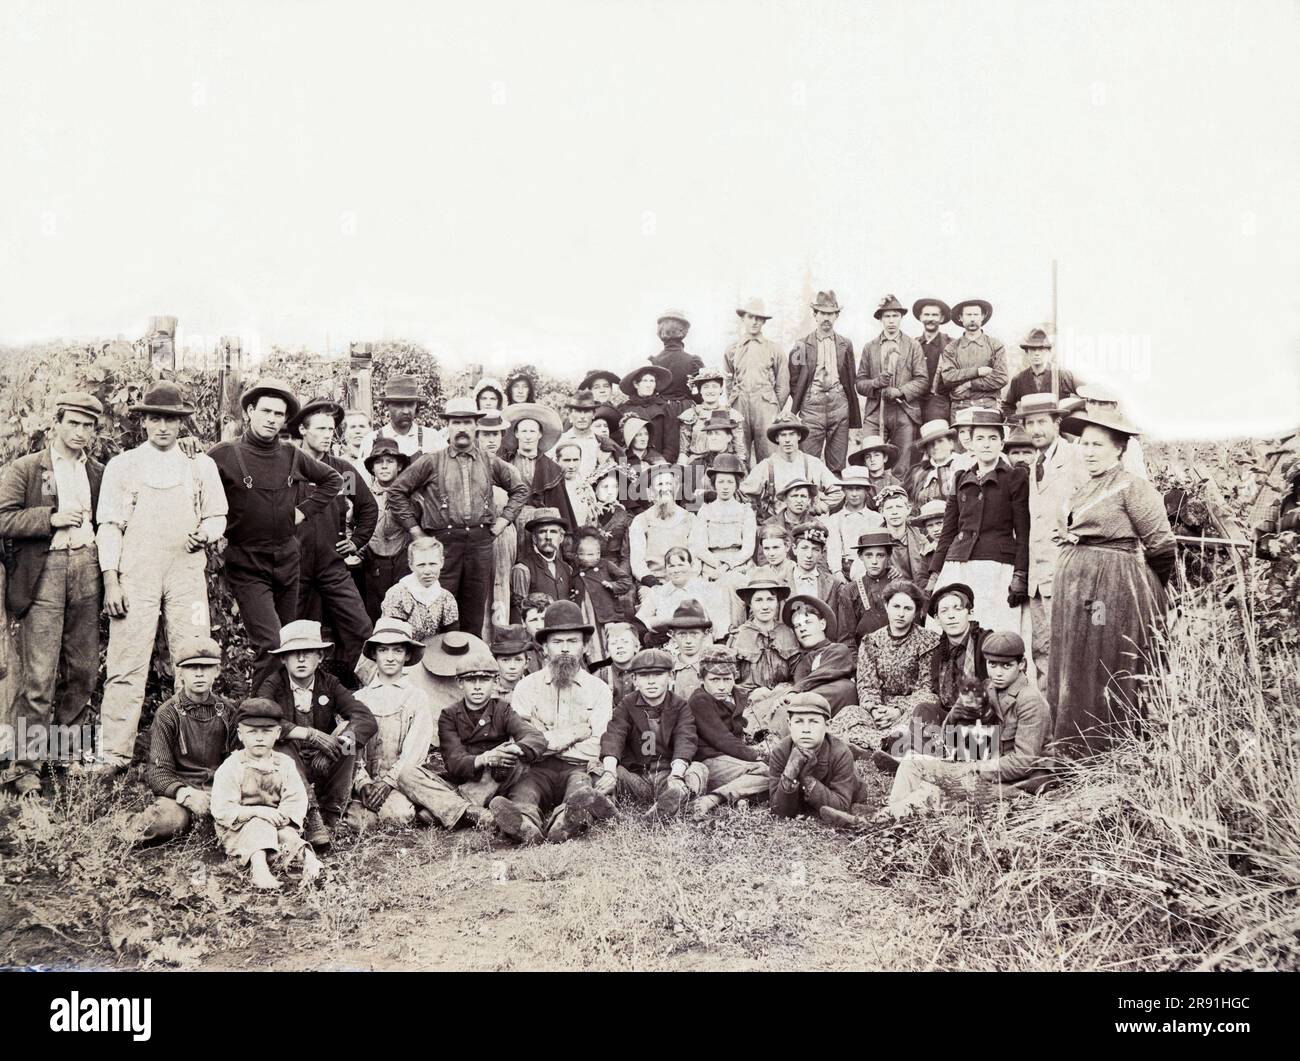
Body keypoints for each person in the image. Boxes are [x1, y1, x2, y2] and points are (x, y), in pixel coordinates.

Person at [90, 383, 229, 771]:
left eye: (170, 419)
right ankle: (114, 754)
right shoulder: (124, 465)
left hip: (187, 575)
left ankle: (191, 754)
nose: (163, 426)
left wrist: (206, 532)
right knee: (126, 660)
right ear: (143, 421)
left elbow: (218, 515)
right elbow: (109, 527)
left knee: (195, 656)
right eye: (155, 418)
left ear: (182, 422)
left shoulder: (199, 465)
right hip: (136, 574)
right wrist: (111, 580)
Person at [1048, 408, 1175, 756]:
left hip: (1109, 594)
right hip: (1078, 593)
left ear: (1119, 449)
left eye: (1097, 445)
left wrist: (1146, 589)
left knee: (1100, 656)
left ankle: (1103, 745)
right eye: (1084, 444)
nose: (1088, 451)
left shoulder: (1133, 487)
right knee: (1077, 659)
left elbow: (1161, 545)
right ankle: (1070, 742)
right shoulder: (1082, 489)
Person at [207, 379, 344, 693]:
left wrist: (302, 511)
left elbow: (332, 481)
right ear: (250, 411)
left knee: (287, 642)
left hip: (286, 560)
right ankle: (258, 718)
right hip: (246, 561)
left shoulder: (291, 455)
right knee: (270, 642)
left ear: (285, 420)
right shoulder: (225, 454)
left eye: (279, 414)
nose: (271, 419)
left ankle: (279, 713)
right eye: (265, 411)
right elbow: (194, 483)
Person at [0, 392, 105, 794]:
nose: (80, 432)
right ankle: (27, 767)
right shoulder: (27, 468)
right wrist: (51, 518)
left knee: (82, 671)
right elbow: (4, 518)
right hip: (44, 571)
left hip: (87, 568)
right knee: (39, 676)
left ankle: (66, 758)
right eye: (73, 423)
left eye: (88, 425)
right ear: (56, 424)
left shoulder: (97, 470)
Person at [385, 396, 528, 638]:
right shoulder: (431, 461)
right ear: (448, 427)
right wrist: (415, 531)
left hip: (481, 543)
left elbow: (520, 489)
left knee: (473, 611)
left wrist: (502, 523)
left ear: (476, 426)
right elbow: (396, 492)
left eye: (467, 422)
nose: (461, 428)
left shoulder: (490, 461)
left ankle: (468, 669)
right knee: (439, 607)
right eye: (455, 423)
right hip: (444, 543)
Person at [874, 631, 1053, 821]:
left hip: (1017, 783)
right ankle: (894, 816)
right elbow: (950, 739)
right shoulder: (988, 688)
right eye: (992, 665)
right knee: (912, 763)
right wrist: (955, 714)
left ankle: (891, 818)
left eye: (1007, 666)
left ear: (1022, 665)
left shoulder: (1030, 701)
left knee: (934, 791)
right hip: (983, 765)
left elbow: (1024, 762)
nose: (998, 673)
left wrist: (974, 768)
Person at [490, 601, 617, 844]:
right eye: (558, 642)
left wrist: (545, 741)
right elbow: (523, 742)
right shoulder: (526, 687)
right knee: (524, 792)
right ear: (545, 648)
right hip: (537, 769)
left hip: (579, 768)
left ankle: (565, 821)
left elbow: (599, 743)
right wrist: (577, 732)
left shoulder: (599, 690)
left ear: (585, 646)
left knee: (581, 790)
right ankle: (524, 824)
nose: (565, 649)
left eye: (573, 642)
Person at [399, 642, 549, 833]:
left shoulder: (502, 710)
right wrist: (485, 758)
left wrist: (515, 748)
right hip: (461, 782)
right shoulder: (449, 715)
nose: (477, 687)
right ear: (460, 683)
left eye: (484, 680)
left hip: (494, 781)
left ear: (495, 682)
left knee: (512, 760)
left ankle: (444, 809)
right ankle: (474, 813)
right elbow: (454, 761)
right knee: (407, 775)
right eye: (471, 680)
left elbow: (536, 737)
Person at [257, 620, 379, 848]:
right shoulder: (274, 683)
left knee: (349, 737)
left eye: (308, 653)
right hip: (287, 766)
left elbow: (364, 718)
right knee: (280, 741)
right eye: (294, 654)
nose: (301, 659)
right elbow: (260, 718)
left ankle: (332, 812)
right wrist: (308, 734)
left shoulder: (329, 683)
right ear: (284, 659)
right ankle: (311, 814)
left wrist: (337, 743)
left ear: (321, 657)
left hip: (322, 762)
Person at [289, 396, 377, 688]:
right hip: (295, 569)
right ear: (303, 429)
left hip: (332, 566)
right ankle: (294, 696)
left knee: (361, 628)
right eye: (321, 428)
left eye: (331, 429)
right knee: (292, 634)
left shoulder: (343, 471)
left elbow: (367, 508)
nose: (328, 435)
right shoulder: (286, 468)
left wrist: (356, 541)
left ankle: (358, 689)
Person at [927, 409, 1031, 640]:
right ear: (970, 444)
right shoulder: (961, 478)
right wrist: (935, 573)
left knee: (993, 630)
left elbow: (1023, 532)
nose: (986, 444)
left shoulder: (1015, 477)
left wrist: (1020, 574)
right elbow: (948, 532)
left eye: (993, 438)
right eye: (980, 439)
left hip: (997, 567)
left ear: (1002, 442)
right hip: (959, 564)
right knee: (950, 628)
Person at [126, 636, 235, 843]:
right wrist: (186, 794)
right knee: (169, 821)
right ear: (181, 673)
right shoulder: (168, 713)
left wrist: (224, 795)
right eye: (192, 667)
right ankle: (126, 826)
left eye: (206, 667)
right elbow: (158, 773)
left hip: (219, 791)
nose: (199, 674)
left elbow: (238, 762)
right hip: (181, 793)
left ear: (217, 671)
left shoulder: (228, 712)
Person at [210, 697, 322, 890]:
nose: (259, 738)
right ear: (241, 734)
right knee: (258, 826)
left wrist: (283, 818)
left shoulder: (285, 763)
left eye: (266, 731)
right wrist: (259, 812)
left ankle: (310, 863)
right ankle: (259, 869)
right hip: (240, 828)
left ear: (278, 733)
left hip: (278, 824)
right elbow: (223, 808)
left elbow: (295, 798)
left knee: (289, 836)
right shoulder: (232, 766)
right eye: (252, 732)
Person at [827, 580, 940, 756]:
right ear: (886, 606)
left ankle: (871, 745)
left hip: (909, 707)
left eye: (907, 609)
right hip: (880, 709)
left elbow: (925, 686)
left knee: (928, 701)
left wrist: (898, 710)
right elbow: (867, 684)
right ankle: (883, 744)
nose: (901, 614)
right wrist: (874, 709)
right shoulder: (871, 641)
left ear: (916, 611)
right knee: (848, 714)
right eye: (896, 606)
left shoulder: (928, 641)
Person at [594, 647, 709, 816]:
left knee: (699, 769)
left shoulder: (680, 705)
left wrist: (676, 775)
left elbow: (686, 739)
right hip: (636, 777)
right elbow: (614, 735)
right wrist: (610, 771)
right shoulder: (627, 704)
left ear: (670, 676)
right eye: (644, 676)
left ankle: (670, 803)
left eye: (658, 675)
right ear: (634, 679)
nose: (651, 681)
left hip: (667, 777)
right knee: (596, 766)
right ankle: (608, 807)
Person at [348, 619, 435, 829]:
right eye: (383, 650)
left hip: (398, 783)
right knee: (359, 823)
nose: (390, 657)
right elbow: (349, 746)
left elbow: (415, 750)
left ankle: (419, 806)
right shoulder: (358, 699)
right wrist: (362, 783)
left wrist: (388, 783)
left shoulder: (417, 697)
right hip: (364, 782)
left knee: (397, 817)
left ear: (407, 656)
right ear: (374, 654)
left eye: (397, 651)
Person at [687, 646, 771, 817]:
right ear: (702, 679)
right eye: (714, 680)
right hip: (710, 759)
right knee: (767, 772)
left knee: (775, 776)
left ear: (735, 677)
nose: (721, 686)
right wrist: (758, 756)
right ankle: (714, 798)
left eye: (727, 679)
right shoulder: (700, 700)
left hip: (732, 758)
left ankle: (742, 796)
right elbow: (722, 740)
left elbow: (738, 729)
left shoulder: (738, 694)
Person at [788, 291, 860, 473]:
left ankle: (834, 499)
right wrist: (805, 401)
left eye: (830, 313)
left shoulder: (846, 344)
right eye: (822, 313)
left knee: (837, 464)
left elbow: (850, 376)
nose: (826, 318)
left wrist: (845, 402)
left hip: (839, 407)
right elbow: (794, 379)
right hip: (812, 409)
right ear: (815, 315)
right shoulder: (801, 345)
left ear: (837, 316)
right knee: (808, 464)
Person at [856, 294, 929, 470]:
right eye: (887, 316)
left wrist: (900, 391)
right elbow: (859, 383)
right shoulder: (870, 347)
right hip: (875, 412)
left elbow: (923, 380)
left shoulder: (913, 346)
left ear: (901, 318)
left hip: (904, 411)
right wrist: (875, 383)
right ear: (880, 319)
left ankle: (898, 496)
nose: (891, 321)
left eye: (895, 316)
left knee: (901, 464)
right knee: (870, 458)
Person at [767, 693, 862, 821]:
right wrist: (790, 772)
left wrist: (807, 779)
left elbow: (841, 807)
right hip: (806, 797)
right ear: (789, 724)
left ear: (828, 725)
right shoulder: (780, 751)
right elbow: (779, 810)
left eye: (814, 722)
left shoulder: (840, 753)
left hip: (848, 791)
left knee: (857, 804)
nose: (806, 729)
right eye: (799, 722)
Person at [687, 453, 756, 630]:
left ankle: (735, 632)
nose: (725, 487)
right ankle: (713, 635)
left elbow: (748, 548)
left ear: (737, 484)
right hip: (710, 564)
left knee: (731, 584)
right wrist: (717, 565)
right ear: (714, 483)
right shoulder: (705, 511)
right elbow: (699, 547)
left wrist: (727, 566)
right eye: (721, 482)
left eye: (730, 482)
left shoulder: (745, 511)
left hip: (738, 564)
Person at [739, 415, 844, 524]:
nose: (787, 440)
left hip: (806, 525)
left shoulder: (813, 464)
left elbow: (838, 491)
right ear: (777, 438)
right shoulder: (766, 466)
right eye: (783, 435)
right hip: (776, 527)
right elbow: (744, 495)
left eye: (791, 434)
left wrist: (822, 506)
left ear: (799, 436)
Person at [724, 297, 790, 463]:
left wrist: (773, 407)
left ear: (763, 322)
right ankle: (742, 488)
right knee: (739, 451)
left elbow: (783, 384)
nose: (754, 322)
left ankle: (771, 488)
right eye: (750, 317)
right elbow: (728, 382)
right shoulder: (732, 349)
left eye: (759, 318)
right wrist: (735, 401)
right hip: (740, 403)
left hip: (765, 405)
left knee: (769, 454)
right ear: (743, 319)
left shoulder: (774, 349)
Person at [360, 437, 413, 621]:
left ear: (399, 466)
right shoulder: (363, 494)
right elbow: (349, 522)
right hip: (373, 560)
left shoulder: (410, 494)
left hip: (402, 560)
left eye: (390, 462)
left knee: (402, 609)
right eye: (378, 462)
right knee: (375, 610)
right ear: (372, 468)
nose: (384, 466)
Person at [475, 410, 518, 632]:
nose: (491, 440)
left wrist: (504, 518)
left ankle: (500, 639)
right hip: (476, 532)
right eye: (485, 435)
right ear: (476, 436)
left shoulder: (506, 468)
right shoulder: (468, 466)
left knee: (500, 585)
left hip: (501, 533)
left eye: (495, 435)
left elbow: (520, 494)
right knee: (478, 587)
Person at [628, 464, 696, 599]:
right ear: (650, 492)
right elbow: (637, 562)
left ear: (676, 488)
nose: (665, 488)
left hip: (686, 581)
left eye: (669, 484)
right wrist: (654, 584)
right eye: (659, 484)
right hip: (653, 584)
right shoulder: (640, 521)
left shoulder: (690, 519)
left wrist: (686, 581)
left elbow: (696, 557)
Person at [728, 574, 798, 698]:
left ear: (777, 602)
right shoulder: (738, 636)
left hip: (783, 699)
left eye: (770, 599)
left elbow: (799, 674)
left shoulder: (788, 633)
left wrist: (786, 688)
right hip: (748, 703)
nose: (765, 606)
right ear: (750, 604)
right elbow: (728, 680)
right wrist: (750, 694)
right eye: (758, 600)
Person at [937, 298, 1010, 416]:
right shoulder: (951, 348)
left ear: (982, 317)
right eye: (968, 315)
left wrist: (969, 384)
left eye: (976, 315)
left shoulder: (995, 345)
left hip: (988, 406)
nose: (972, 319)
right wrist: (977, 371)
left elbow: (1001, 377)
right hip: (960, 406)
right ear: (960, 317)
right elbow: (948, 377)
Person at [381, 537, 459, 642]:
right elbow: (391, 638)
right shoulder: (398, 594)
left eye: (433, 564)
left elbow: (450, 637)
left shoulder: (446, 598)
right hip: (401, 652)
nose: (427, 571)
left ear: (441, 562)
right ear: (411, 565)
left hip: (435, 654)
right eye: (421, 565)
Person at [573, 527, 634, 659]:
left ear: (598, 554)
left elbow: (626, 580)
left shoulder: (606, 565)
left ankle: (612, 664)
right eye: (581, 554)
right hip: (585, 614)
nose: (585, 558)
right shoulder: (575, 571)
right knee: (591, 643)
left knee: (608, 641)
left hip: (606, 613)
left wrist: (612, 585)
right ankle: (595, 666)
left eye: (590, 554)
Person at [502, 401, 566, 527]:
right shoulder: (505, 462)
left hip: (542, 524)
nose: (528, 436)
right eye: (524, 431)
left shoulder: (552, 469)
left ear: (539, 434)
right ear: (516, 434)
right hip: (509, 523)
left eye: (532, 431)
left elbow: (559, 505)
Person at [510, 507, 577, 623]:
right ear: (535, 539)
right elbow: (519, 612)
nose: (548, 537)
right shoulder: (523, 569)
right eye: (542, 532)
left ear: (560, 538)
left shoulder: (567, 569)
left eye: (553, 532)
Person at [635, 547, 714, 645]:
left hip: (699, 644)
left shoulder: (706, 589)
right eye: (672, 566)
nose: (676, 570)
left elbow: (715, 623)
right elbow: (640, 621)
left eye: (681, 565)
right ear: (666, 568)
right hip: (666, 644)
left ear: (691, 565)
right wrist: (665, 620)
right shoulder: (657, 592)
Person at [787, 524, 852, 639]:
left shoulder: (834, 585)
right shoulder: (780, 582)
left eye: (815, 549)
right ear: (794, 549)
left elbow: (843, 629)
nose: (809, 555)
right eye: (804, 548)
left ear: (822, 553)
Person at [359, 374, 444, 461]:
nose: (406, 411)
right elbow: (363, 474)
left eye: (410, 405)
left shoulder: (432, 437)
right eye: (399, 405)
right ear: (387, 405)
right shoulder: (371, 440)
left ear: (416, 405)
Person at [1001, 326, 1079, 418]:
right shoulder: (1019, 379)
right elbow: (1007, 406)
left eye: (1041, 349)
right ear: (1027, 352)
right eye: (1033, 349)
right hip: (1031, 428)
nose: (1036, 353)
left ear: (1049, 351)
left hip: (1057, 428)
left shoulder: (1062, 375)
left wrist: (1071, 419)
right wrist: (1016, 423)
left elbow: (1085, 393)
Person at [823, 467, 885, 580]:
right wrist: (837, 572)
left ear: (867, 490)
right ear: (843, 490)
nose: (854, 494)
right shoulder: (835, 519)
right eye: (850, 489)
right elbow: (834, 548)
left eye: (858, 489)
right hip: (843, 569)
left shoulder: (876, 518)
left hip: (870, 569)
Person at [843, 530, 903, 641]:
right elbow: (847, 637)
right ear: (860, 556)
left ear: (889, 556)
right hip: (864, 652)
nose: (874, 561)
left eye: (880, 555)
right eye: (868, 555)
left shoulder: (900, 586)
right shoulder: (850, 590)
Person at [679, 369, 746, 467]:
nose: (710, 391)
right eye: (706, 387)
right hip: (697, 464)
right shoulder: (690, 415)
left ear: (721, 390)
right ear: (700, 390)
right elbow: (683, 450)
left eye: (714, 387)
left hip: (725, 464)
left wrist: (741, 467)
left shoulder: (732, 415)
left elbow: (739, 448)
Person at [619, 365, 678, 463]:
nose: (649, 385)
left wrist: (662, 462)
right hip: (631, 463)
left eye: (652, 381)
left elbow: (672, 442)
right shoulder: (624, 408)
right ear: (636, 384)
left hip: (659, 461)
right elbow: (620, 441)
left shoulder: (665, 407)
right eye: (645, 381)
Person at [877, 485, 932, 586]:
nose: (894, 512)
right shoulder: (875, 538)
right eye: (889, 508)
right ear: (881, 512)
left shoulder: (921, 537)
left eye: (899, 507)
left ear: (908, 509)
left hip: (919, 589)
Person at [912, 297, 954, 425]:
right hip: (914, 401)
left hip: (940, 402)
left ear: (941, 318)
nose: (930, 318)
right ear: (920, 317)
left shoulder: (951, 344)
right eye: (927, 314)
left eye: (935, 315)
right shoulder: (912, 344)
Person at [648, 309, 705, 404]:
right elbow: (701, 396)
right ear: (684, 331)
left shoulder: (652, 362)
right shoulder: (694, 361)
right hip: (686, 413)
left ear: (660, 331)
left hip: (658, 413)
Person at [663, 599, 714, 700]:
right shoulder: (667, 667)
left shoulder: (712, 666)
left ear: (705, 634)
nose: (688, 641)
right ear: (673, 635)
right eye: (682, 634)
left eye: (694, 634)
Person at [904, 419, 962, 507]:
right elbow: (906, 500)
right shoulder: (917, 472)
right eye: (931, 443)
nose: (936, 447)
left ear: (951, 443)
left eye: (940, 441)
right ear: (926, 449)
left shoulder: (963, 466)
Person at [589, 460, 633, 571]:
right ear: (595, 488)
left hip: (614, 568)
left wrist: (620, 578)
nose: (610, 492)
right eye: (605, 487)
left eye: (615, 487)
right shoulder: (586, 513)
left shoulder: (625, 517)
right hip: (588, 568)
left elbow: (626, 556)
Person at [551, 390, 603, 480]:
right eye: (578, 411)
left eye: (586, 411)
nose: (582, 416)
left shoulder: (601, 443)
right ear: (570, 414)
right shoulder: (558, 441)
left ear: (594, 414)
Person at [845, 435, 905, 510]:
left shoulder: (895, 483)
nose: (872, 459)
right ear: (864, 462)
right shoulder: (860, 482)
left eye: (876, 455)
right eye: (868, 457)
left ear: (885, 458)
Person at [593, 621, 642, 703]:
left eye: (625, 642)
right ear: (608, 651)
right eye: (614, 643)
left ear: (636, 647)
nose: (619, 646)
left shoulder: (647, 672)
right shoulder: (599, 677)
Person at [490, 624, 536, 699]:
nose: (512, 666)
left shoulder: (535, 690)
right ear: (495, 662)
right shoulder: (487, 691)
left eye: (518, 660)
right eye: (505, 660)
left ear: (526, 663)